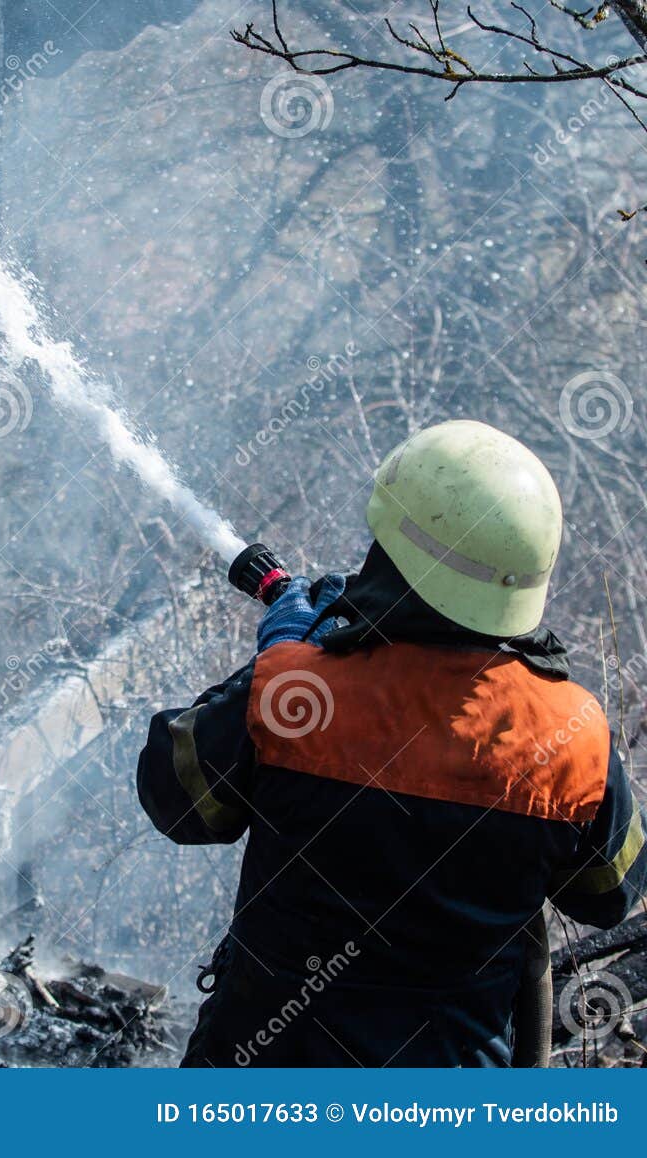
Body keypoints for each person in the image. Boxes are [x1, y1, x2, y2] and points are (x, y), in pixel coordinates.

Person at [138, 420, 645, 1066]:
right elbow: (612, 892)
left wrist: (283, 659)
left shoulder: (295, 697)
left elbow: (172, 795)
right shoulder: (573, 740)